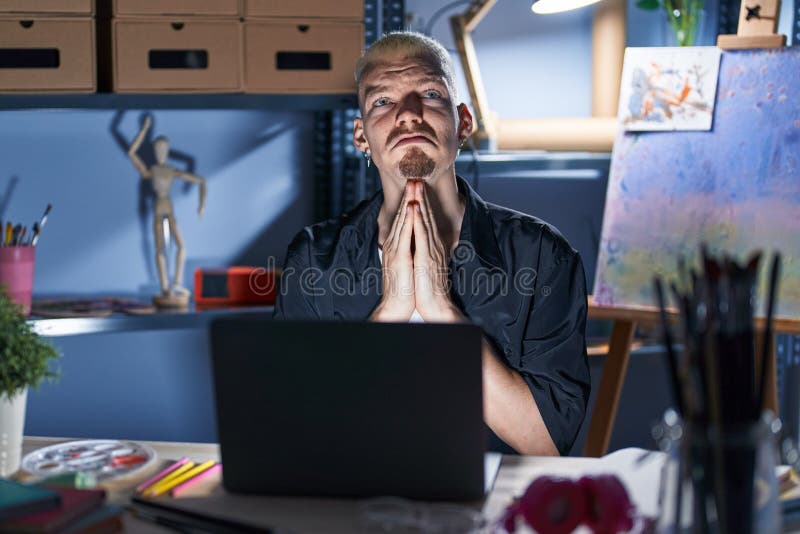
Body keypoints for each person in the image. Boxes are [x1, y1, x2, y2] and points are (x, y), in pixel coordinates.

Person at [275, 32, 589, 456]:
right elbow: (298, 435)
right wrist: (390, 313)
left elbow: (546, 442)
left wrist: (444, 314)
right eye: (382, 102)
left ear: (463, 122)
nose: (408, 114)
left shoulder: (543, 256)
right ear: (361, 136)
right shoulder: (313, 259)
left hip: (491, 509)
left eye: (429, 92)